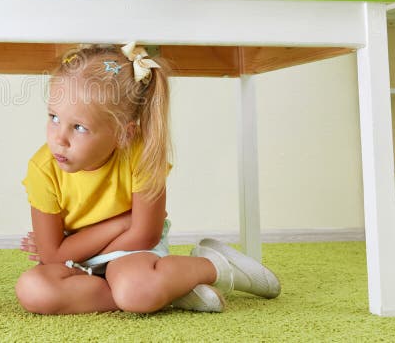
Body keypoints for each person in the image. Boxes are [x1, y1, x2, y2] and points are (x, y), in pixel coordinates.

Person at [15, 42, 280, 314]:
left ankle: (212, 266)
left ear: (123, 134)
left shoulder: (141, 153)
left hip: (130, 252)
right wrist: (122, 222)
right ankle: (173, 290)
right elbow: (52, 257)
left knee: (135, 292)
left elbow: (145, 234)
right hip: (79, 262)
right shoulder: (43, 168)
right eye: (54, 117)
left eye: (79, 127)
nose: (59, 139)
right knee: (33, 290)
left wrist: (75, 247)